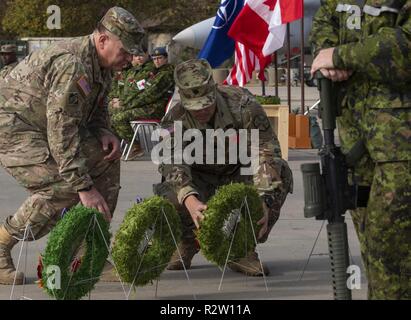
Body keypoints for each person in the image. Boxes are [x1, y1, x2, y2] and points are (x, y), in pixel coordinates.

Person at [0, 6, 145, 285]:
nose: (129, 59)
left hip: (42, 124)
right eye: (125, 51)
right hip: (13, 127)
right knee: (65, 187)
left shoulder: (102, 64)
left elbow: (98, 106)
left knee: (106, 159)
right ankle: (3, 242)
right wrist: (85, 188)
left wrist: (104, 131)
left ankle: (87, 253)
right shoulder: (72, 64)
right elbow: (62, 132)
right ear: (103, 40)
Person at [154, 59, 293, 276]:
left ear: (214, 90)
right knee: (170, 190)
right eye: (194, 107)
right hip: (200, 178)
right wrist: (189, 199)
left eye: (206, 104)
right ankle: (187, 240)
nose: (201, 111)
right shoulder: (175, 118)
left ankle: (240, 248)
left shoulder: (244, 106)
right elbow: (171, 162)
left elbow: (266, 152)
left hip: (239, 174)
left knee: (280, 173)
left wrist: (263, 200)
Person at [310, 1, 410, 299]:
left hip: (400, 146)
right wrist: (328, 58)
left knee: (392, 249)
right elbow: (323, 27)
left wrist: (343, 56)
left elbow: (405, 47)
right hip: (356, 143)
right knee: (373, 249)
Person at [110, 46, 175, 159]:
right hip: (147, 106)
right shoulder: (158, 72)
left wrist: (124, 105)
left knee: (118, 117)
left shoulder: (165, 74)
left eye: (160, 58)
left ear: (166, 59)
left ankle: (135, 147)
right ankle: (124, 145)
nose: (157, 61)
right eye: (155, 58)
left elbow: (148, 95)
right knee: (113, 113)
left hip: (154, 109)